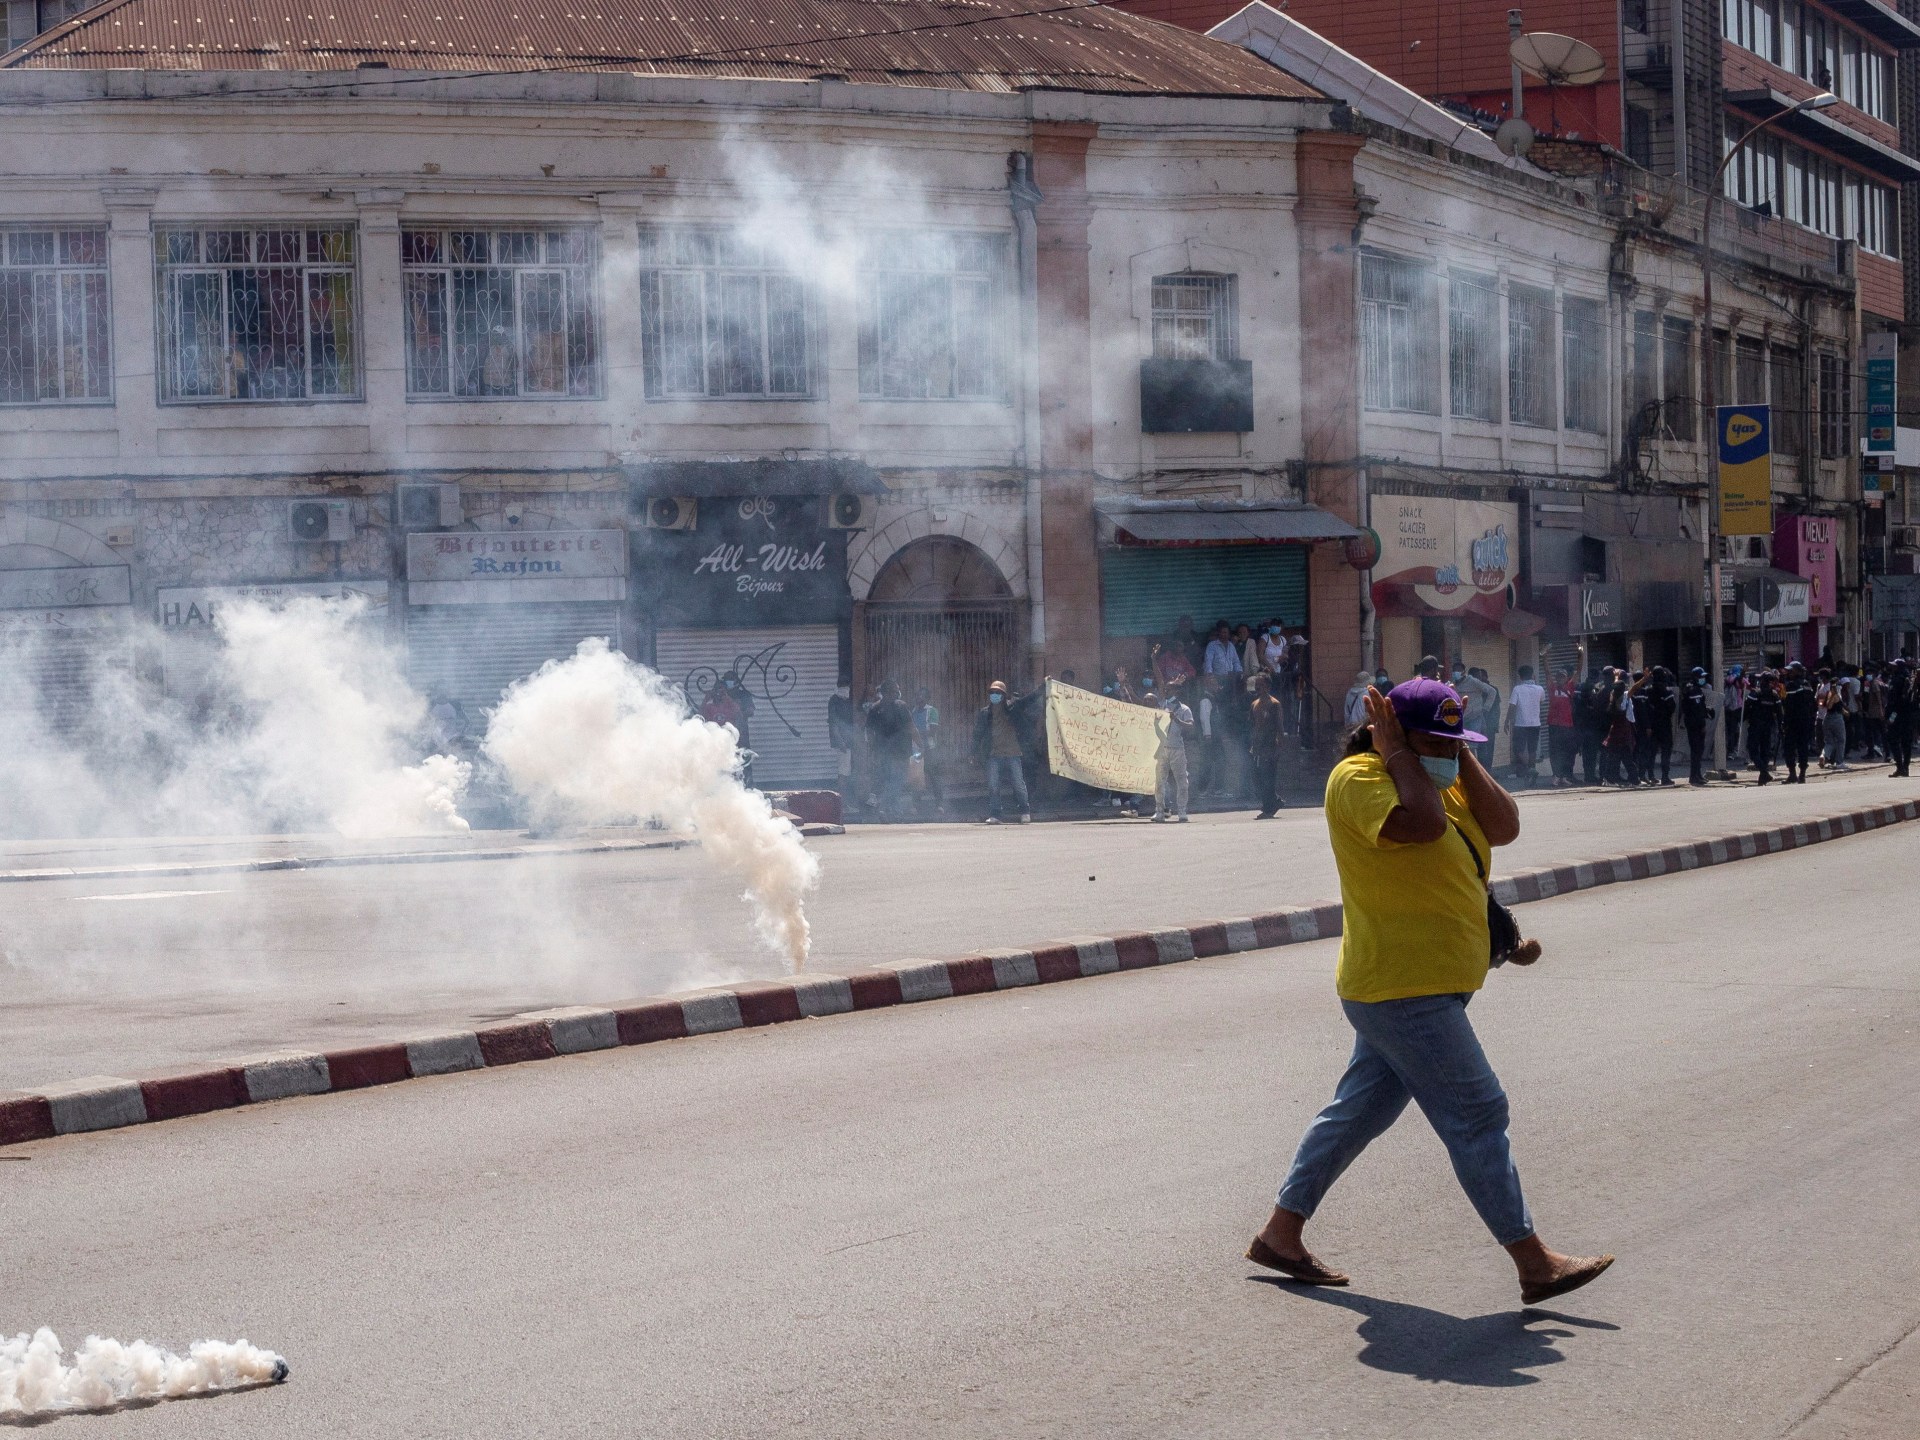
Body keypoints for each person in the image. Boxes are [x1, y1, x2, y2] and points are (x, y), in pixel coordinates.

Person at [1248, 678, 1613, 1305]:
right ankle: (1532, 1260)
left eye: (1456, 740)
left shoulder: (1443, 779)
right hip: (1399, 988)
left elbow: (1503, 828)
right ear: (1391, 733)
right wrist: (1394, 752)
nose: (1449, 751)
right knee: (1477, 1111)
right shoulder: (1360, 778)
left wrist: (1460, 753)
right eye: (1437, 740)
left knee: (1360, 1111)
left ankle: (1282, 1233)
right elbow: (1418, 828)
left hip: (1428, 985)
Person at [972, 680, 1032, 824]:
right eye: (992, 693)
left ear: (1004, 695)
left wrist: (1043, 687)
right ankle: (995, 814)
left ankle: (1025, 811)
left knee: (1018, 783)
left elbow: (1028, 700)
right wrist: (973, 752)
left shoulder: (1012, 708)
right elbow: (978, 733)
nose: (994, 695)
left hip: (1013, 752)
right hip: (994, 753)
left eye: (998, 693)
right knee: (993, 785)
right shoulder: (985, 713)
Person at [863, 679, 914, 820]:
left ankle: (891, 809)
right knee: (896, 781)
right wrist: (920, 744)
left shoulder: (874, 708)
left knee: (889, 780)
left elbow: (868, 731)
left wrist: (873, 749)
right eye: (895, 690)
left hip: (883, 751)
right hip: (900, 752)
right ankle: (888, 808)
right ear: (889, 692)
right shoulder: (901, 706)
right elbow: (911, 727)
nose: (898, 692)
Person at [1148, 682, 1195, 822]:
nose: (1167, 691)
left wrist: (1176, 719)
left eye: (1170, 689)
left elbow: (1190, 726)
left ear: (1177, 691)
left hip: (1177, 749)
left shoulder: (1184, 709)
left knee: (1181, 781)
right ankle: (1159, 811)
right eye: (1166, 688)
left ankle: (1182, 810)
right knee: (1159, 781)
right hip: (1162, 749)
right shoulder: (1161, 706)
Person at [1248, 671, 1286, 819]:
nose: (1258, 688)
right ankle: (1275, 801)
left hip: (1270, 746)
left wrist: (1279, 747)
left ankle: (1268, 808)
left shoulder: (1274, 704)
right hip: (1258, 747)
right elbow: (1253, 726)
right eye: (1256, 685)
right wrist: (1253, 746)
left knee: (1267, 778)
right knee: (1257, 777)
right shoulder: (1254, 704)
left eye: (1261, 685)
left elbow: (1280, 727)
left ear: (1268, 687)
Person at [1638, 667, 1678, 787]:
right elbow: (1672, 708)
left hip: (1652, 726)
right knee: (1666, 752)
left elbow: (1645, 708)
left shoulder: (1648, 691)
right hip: (1664, 726)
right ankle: (1665, 777)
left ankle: (1650, 775)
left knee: (1651, 752)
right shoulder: (1666, 692)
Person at [1780, 662, 1818, 784]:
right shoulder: (1807, 685)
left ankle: (1793, 774)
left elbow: (1788, 706)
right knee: (1803, 748)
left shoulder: (1792, 685)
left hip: (1793, 722)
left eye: (1791, 671)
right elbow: (1813, 704)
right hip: (1806, 721)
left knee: (1789, 748)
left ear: (1798, 671)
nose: (1789, 673)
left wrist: (1784, 722)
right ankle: (1802, 775)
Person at [1507, 666, 1544, 787]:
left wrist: (1507, 720)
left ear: (1520, 676)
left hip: (1521, 724)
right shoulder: (1539, 689)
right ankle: (1531, 770)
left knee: (1518, 749)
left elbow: (1512, 706)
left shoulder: (1517, 689)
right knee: (1532, 749)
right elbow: (1541, 701)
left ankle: (1530, 769)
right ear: (1533, 675)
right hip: (1535, 723)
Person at [911, 685, 944, 813]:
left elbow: (933, 731)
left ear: (927, 698)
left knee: (934, 776)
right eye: (918, 695)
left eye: (922, 695)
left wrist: (917, 733)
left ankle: (939, 804)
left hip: (929, 749)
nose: (919, 698)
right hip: (916, 749)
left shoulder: (932, 711)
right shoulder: (913, 712)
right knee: (916, 778)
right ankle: (915, 805)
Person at [1745, 668, 1781, 785]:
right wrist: (1781, 726)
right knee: (1765, 752)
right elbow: (1780, 713)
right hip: (1768, 727)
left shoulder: (1756, 693)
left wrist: (1744, 718)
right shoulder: (1774, 695)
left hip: (1756, 726)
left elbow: (1746, 708)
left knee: (1753, 750)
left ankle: (1764, 773)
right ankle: (1763, 778)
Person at [1681, 666, 1714, 787]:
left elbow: (1700, 708)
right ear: (1695, 677)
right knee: (1696, 751)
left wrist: (1707, 711)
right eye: (1701, 677)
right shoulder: (1693, 690)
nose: (1703, 679)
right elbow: (1696, 710)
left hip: (1693, 724)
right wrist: (1702, 724)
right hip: (1695, 725)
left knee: (1698, 751)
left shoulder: (1695, 689)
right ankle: (1694, 777)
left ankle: (1697, 775)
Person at [1546, 669, 1578, 787]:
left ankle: (1563, 776)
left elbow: (1577, 671)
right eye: (1558, 677)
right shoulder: (1552, 688)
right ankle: (1556, 775)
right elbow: (1547, 673)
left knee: (1566, 751)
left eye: (1563, 677)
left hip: (1567, 725)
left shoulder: (1570, 687)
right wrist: (1544, 657)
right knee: (1554, 751)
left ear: (1566, 678)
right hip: (1554, 725)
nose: (1560, 679)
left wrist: (1581, 655)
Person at [1886, 660, 1916, 777]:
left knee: (1892, 739)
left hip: (1897, 715)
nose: (1892, 668)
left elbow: (1895, 702)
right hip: (1908, 715)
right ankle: (1905, 768)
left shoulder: (1897, 680)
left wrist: (1891, 717)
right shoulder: (1909, 679)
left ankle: (1900, 767)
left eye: (1894, 666)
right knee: (1906, 742)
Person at [1817, 672, 1850, 772]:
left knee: (1829, 742)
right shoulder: (1833, 694)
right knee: (1841, 740)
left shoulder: (1826, 691)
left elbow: (1832, 706)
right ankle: (1839, 762)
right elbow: (1830, 706)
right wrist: (1833, 696)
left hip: (1826, 719)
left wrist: (1844, 711)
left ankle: (1823, 755)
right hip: (1836, 719)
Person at [1722, 665, 1748, 768]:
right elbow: (1745, 684)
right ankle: (1736, 750)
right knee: (1739, 730)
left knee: (1731, 730)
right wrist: (1742, 675)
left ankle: (1731, 751)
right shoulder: (1738, 679)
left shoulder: (1727, 679)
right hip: (1738, 708)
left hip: (1728, 708)